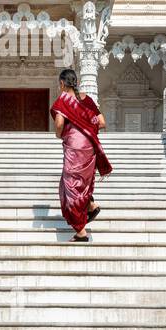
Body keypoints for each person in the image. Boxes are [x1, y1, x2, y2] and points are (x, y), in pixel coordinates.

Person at [50, 67, 112, 241]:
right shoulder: (87, 99)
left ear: (62, 84)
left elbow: (59, 125)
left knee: (69, 188)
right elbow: (101, 122)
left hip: (75, 148)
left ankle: (81, 231)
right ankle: (91, 205)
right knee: (80, 183)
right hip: (89, 147)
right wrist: (86, 128)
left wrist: (60, 134)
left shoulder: (62, 101)